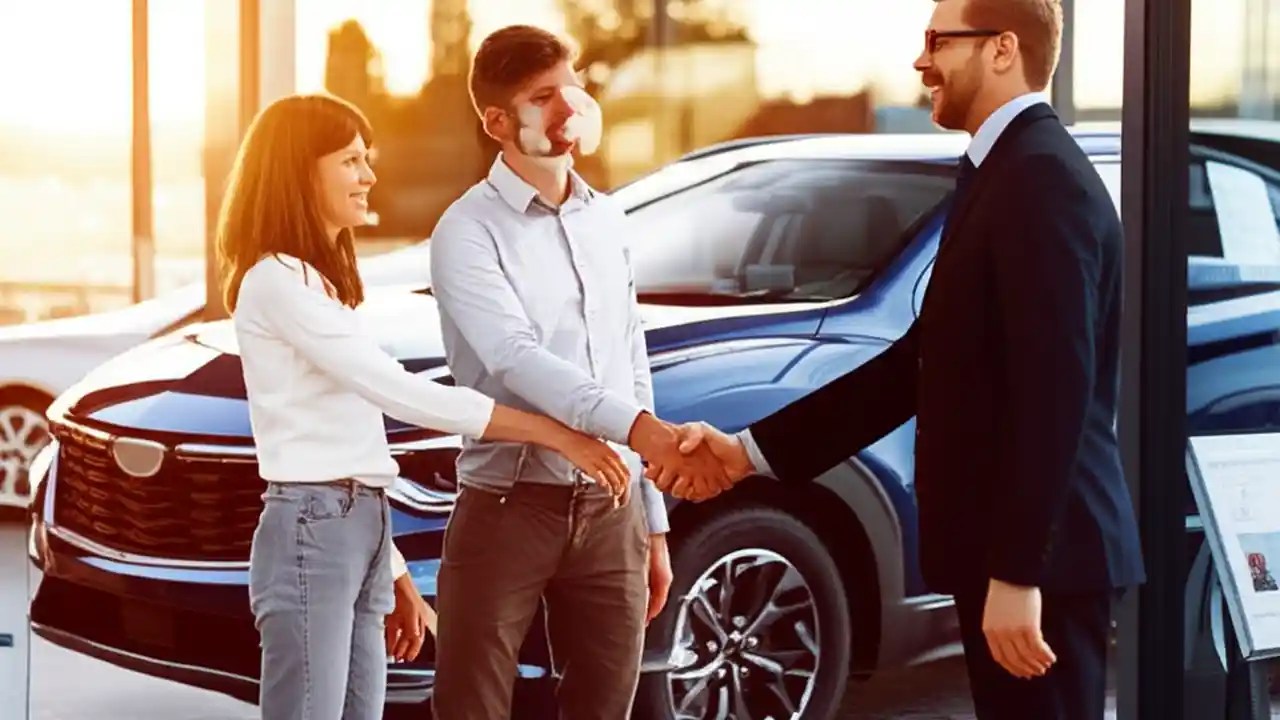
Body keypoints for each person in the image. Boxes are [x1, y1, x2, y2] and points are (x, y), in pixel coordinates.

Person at [654, 1, 1145, 718]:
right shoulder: (1002, 171)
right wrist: (745, 453)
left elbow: (1054, 396)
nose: (921, 62)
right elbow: (915, 365)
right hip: (1014, 562)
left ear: (1003, 49)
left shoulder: (1040, 181)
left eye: (938, 41)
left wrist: (1017, 572)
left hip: (1044, 566)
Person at [217, 93, 632, 720]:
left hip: (359, 521)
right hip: (312, 525)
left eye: (367, 160)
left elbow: (357, 438)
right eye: (352, 161)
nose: (368, 176)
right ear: (301, 170)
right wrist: (554, 433)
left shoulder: (323, 286)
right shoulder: (273, 281)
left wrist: (395, 571)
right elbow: (399, 392)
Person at [426, 24, 726, 720]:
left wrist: (652, 525)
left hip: (612, 508)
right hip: (508, 506)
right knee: (471, 707)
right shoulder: (466, 231)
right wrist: (643, 431)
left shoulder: (608, 220)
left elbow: (630, 357)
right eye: (542, 97)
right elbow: (513, 356)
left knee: (606, 706)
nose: (567, 110)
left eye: (572, 89)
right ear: (497, 121)